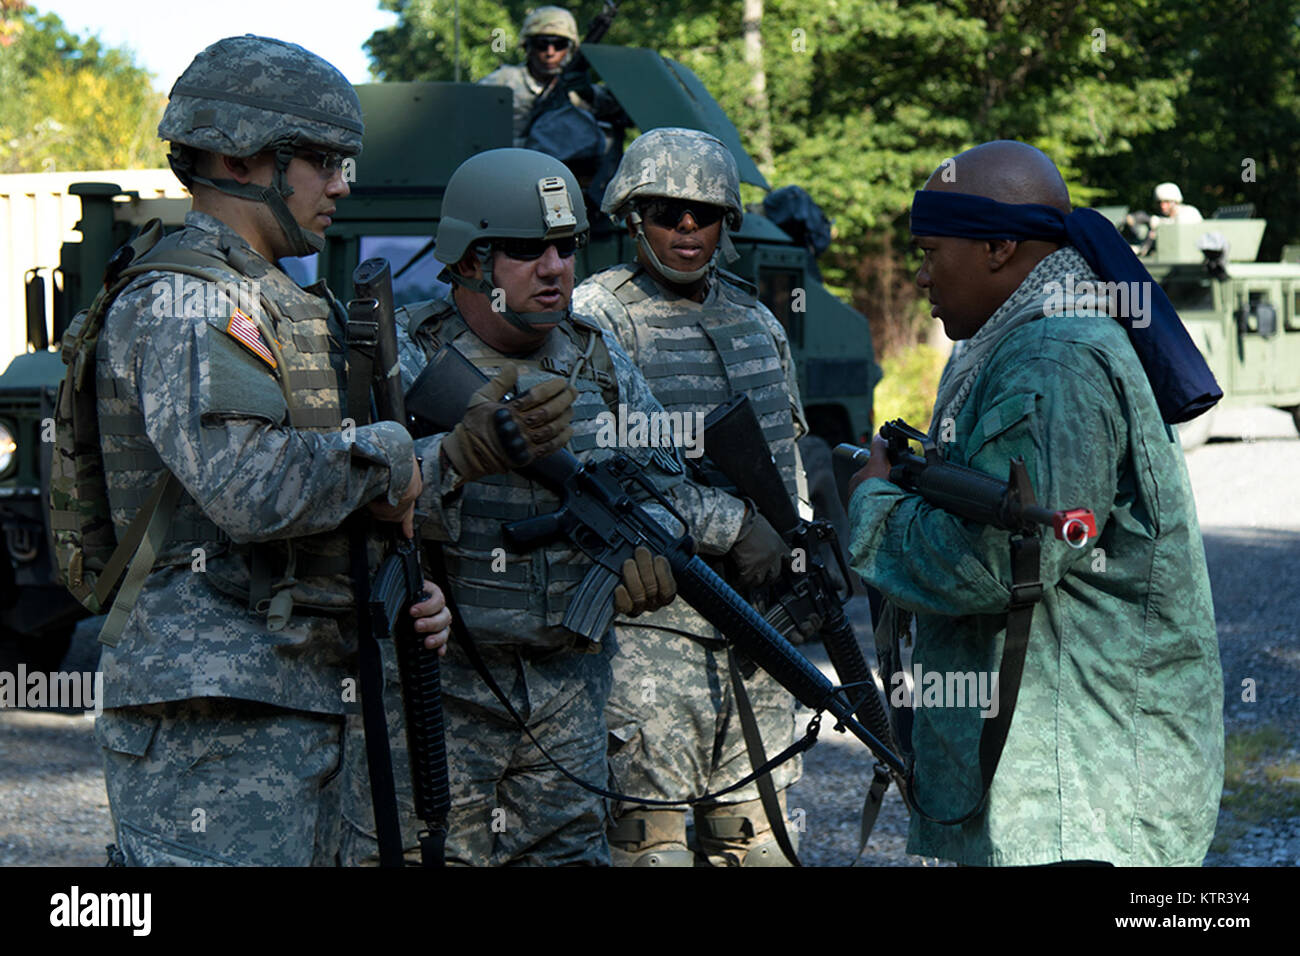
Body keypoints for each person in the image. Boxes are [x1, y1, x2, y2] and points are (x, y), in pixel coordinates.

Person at [92, 35, 452, 867]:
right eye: (321, 158)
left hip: (289, 688)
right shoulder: (189, 300)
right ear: (236, 155)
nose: (341, 183)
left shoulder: (277, 298)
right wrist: (392, 456)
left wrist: (406, 587)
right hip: (210, 714)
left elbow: (321, 494)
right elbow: (249, 487)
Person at [847, 140, 1223, 866]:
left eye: (931, 252)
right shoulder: (1031, 340)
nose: (921, 274)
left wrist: (872, 504)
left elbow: (995, 562)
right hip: (1055, 782)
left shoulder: (1050, 362)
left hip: (1073, 795)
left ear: (999, 247)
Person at [341, 147, 720, 866]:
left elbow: (665, 486)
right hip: (440, 692)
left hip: (567, 694)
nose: (554, 268)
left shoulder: (596, 355)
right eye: (525, 250)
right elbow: (352, 513)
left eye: (565, 247)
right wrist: (454, 458)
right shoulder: (405, 363)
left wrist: (655, 550)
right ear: (467, 261)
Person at [572, 127, 806, 867]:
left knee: (757, 841)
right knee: (652, 845)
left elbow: (788, 459)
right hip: (654, 632)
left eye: (702, 215)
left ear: (726, 223)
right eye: (667, 211)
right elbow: (601, 468)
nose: (685, 229)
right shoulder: (596, 317)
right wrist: (733, 525)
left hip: (759, 629)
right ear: (632, 215)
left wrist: (793, 545)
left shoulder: (756, 319)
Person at [478, 5, 616, 148]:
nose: (550, 53)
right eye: (542, 44)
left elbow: (619, 109)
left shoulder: (577, 89)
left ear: (570, 49)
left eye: (559, 44)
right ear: (527, 47)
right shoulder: (502, 81)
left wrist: (588, 94)